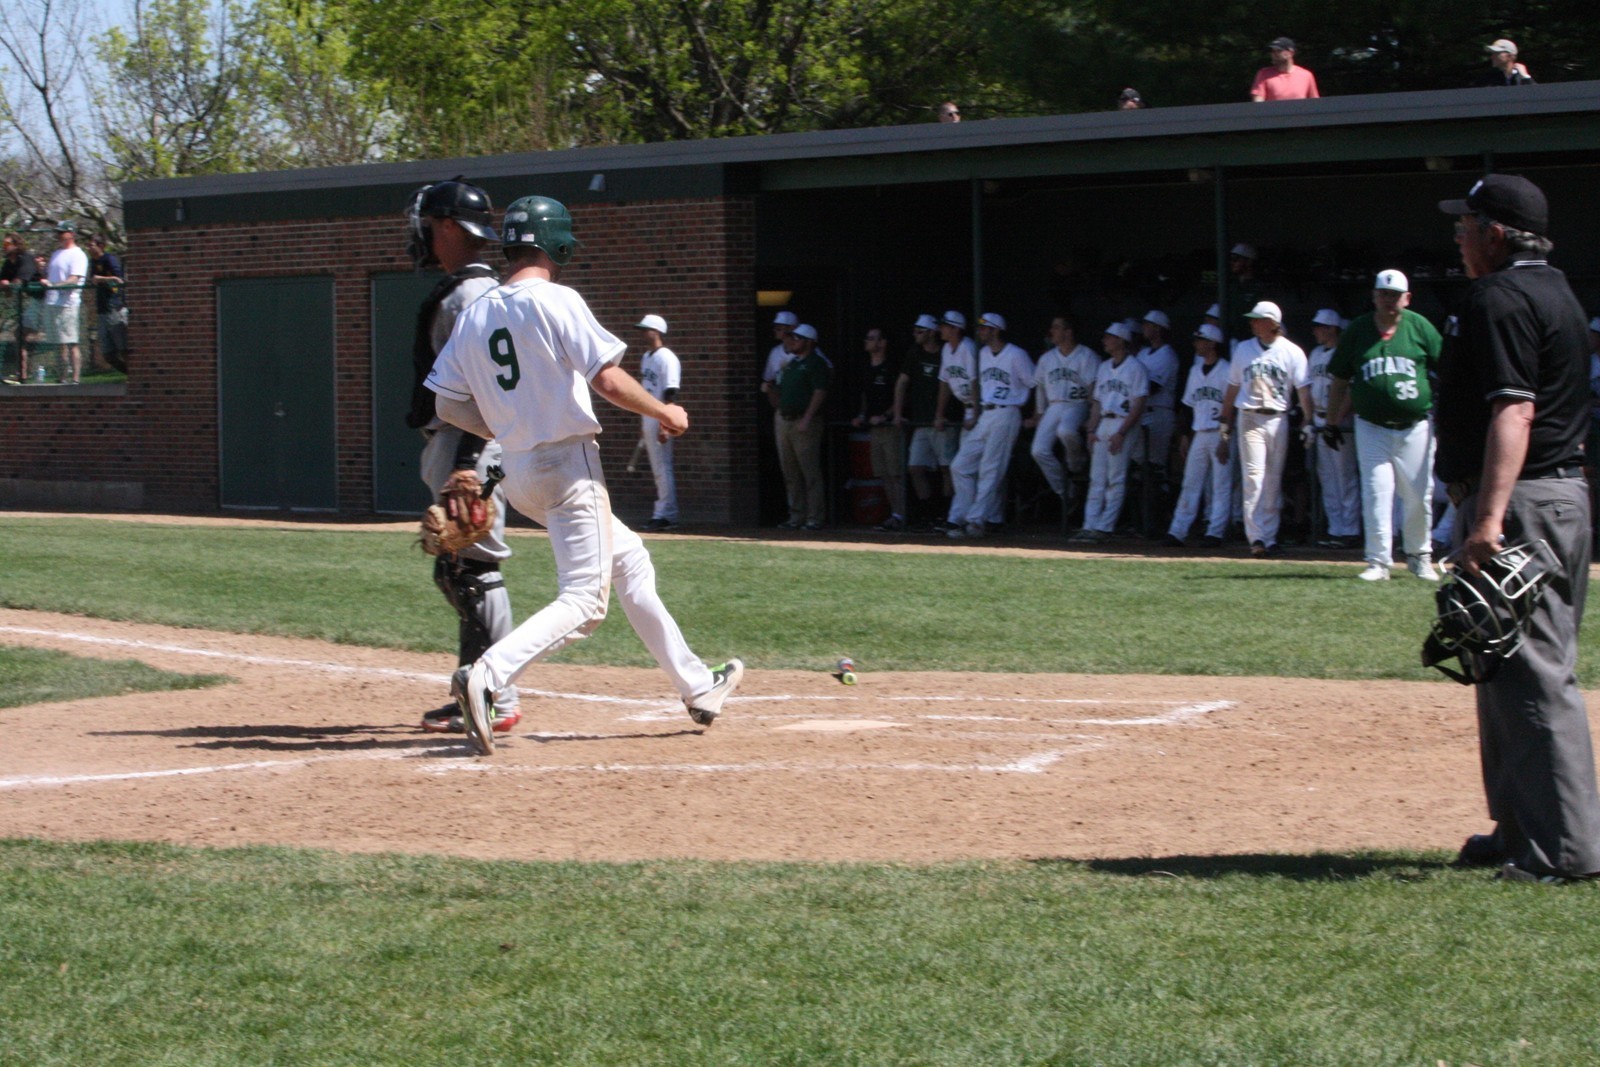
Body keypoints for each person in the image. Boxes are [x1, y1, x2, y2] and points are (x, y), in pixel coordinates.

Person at [425, 193, 744, 755]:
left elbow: (447, 404)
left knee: (631, 562)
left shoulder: (476, 311)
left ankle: (698, 685)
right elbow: (608, 380)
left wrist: (506, 425)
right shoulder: (556, 299)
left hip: (519, 471)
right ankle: (487, 675)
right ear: (557, 244)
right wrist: (664, 411)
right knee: (584, 602)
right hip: (567, 466)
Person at [1435, 172, 1600, 883]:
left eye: (1466, 225)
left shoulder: (1499, 297)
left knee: (1532, 668)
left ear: (1496, 235)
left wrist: (1489, 517)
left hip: (1525, 498)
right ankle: (1518, 827)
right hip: (1549, 494)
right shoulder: (1555, 290)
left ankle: (1565, 851)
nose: (1459, 237)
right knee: (1499, 663)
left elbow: (1516, 409)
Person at [402, 178, 521, 734]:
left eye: (430, 224)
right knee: (457, 567)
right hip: (473, 441)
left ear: (449, 227)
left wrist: (467, 463)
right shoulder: (483, 291)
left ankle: (494, 694)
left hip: (472, 443)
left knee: (474, 569)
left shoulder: (466, 297)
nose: (424, 234)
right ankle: (475, 687)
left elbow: (484, 389)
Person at [1327, 270, 1443, 581]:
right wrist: (1331, 421)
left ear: (1407, 298)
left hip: (1415, 426)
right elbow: (1339, 378)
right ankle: (1378, 561)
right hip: (1372, 426)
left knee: (1418, 494)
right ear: (1374, 296)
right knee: (1376, 490)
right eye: (1383, 294)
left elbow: (1445, 366)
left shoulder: (1419, 326)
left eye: (1395, 295)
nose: (1389, 300)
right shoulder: (1358, 329)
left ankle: (1419, 556)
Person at [1217, 301, 1313, 557]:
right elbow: (1232, 389)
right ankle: (1256, 537)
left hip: (1277, 418)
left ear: (1272, 322)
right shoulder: (1243, 349)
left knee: (1272, 479)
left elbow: (1303, 390)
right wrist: (1224, 428)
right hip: (1249, 416)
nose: (1252, 323)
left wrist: (1309, 420)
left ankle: (1270, 537)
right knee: (1254, 477)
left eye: (1257, 319)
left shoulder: (1291, 351)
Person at [946, 313, 1035, 539]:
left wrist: (1035, 415)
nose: (980, 332)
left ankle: (976, 521)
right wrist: (976, 413)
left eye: (984, 328)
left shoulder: (1016, 354)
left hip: (1007, 411)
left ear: (996, 330)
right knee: (959, 466)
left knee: (990, 468)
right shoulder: (983, 354)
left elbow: (1034, 383)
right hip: (986, 413)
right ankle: (969, 515)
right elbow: (977, 385)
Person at [1071, 322, 1148, 543]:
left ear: (1121, 340)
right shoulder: (1104, 367)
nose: (1104, 341)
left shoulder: (1136, 367)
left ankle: (1104, 528)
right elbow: (1097, 402)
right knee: (1097, 478)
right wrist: (1091, 429)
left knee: (1115, 478)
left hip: (1123, 423)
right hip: (1104, 422)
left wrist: (1122, 433)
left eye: (1109, 337)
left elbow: (1139, 404)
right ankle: (1090, 525)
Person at [1166, 324, 1232, 548]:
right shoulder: (1195, 371)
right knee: (1190, 483)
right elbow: (1187, 406)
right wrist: (1185, 435)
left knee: (1221, 485)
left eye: (1200, 340)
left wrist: (1225, 438)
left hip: (1220, 433)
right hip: (1200, 433)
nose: (1196, 344)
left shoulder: (1226, 370)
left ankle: (1216, 532)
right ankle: (1177, 531)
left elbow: (1232, 409)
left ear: (1212, 343)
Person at [1027, 315, 1099, 508]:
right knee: (1038, 450)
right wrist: (1039, 412)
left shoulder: (1086, 355)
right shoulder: (1047, 358)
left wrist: (1093, 413)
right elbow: (1040, 387)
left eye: (1056, 327)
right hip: (1054, 405)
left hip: (1077, 404)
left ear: (1068, 332)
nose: (1052, 331)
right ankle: (1066, 491)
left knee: (1066, 430)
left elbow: (1092, 388)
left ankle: (1076, 463)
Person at [1306, 308, 1360, 549]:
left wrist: (1335, 421)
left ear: (1332, 329)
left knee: (1344, 476)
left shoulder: (1345, 353)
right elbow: (1308, 389)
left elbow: (1350, 391)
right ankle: (1335, 528)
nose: (1315, 331)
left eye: (1319, 327)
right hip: (1319, 420)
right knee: (1327, 478)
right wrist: (1309, 421)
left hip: (1339, 422)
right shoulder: (1315, 354)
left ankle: (1350, 530)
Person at [774, 323, 831, 530]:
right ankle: (796, 516)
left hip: (803, 422)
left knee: (809, 472)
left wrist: (807, 418)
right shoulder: (791, 364)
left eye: (797, 338)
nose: (792, 341)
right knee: (790, 472)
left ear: (809, 342)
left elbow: (820, 392)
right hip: (785, 420)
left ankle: (814, 517)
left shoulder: (817, 363)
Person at [851, 326, 907, 532]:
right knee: (883, 474)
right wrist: (861, 416)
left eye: (872, 338)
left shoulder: (892, 368)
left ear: (882, 343)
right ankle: (895, 514)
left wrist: (885, 416)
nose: (867, 341)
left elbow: (900, 398)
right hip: (874, 430)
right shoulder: (865, 368)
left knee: (895, 474)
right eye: (867, 338)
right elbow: (865, 396)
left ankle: (902, 515)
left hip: (890, 428)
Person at [904, 313, 954, 523]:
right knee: (915, 467)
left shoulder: (946, 352)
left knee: (946, 467)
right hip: (922, 421)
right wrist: (897, 412)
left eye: (920, 331)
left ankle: (947, 512)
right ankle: (927, 511)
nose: (916, 334)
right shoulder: (914, 353)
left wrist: (940, 414)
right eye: (915, 330)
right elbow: (902, 382)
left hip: (942, 422)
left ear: (932, 332)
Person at [634, 313, 681, 530]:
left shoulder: (667, 357)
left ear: (657, 331)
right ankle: (663, 512)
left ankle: (666, 514)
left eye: (646, 329)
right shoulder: (646, 357)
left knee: (663, 467)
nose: (643, 333)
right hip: (649, 416)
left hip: (661, 415)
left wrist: (666, 425)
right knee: (658, 468)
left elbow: (671, 393)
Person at [932, 310, 977, 530]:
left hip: (980, 410)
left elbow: (976, 381)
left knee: (964, 466)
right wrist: (939, 413)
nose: (941, 329)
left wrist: (976, 413)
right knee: (964, 467)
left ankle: (963, 517)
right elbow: (945, 384)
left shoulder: (968, 348)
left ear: (956, 329)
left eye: (945, 325)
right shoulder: (946, 350)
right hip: (968, 410)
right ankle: (963, 517)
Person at [1132, 309, 1180, 492]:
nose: (1144, 328)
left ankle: (1161, 504)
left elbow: (1152, 387)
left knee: (1155, 467)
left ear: (1158, 328)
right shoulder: (1143, 353)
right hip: (1141, 412)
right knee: (1137, 464)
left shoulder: (1167, 354)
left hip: (1159, 412)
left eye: (1148, 325)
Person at [42, 221, 88, 384]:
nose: (59, 235)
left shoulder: (78, 255)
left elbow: (74, 279)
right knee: (59, 344)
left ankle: (75, 379)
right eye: (58, 232)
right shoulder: (56, 253)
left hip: (68, 304)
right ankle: (62, 378)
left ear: (71, 234)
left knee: (71, 342)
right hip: (52, 302)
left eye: (62, 232)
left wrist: (53, 285)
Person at [86, 235, 128, 374]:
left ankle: (136, 377)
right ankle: (129, 374)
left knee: (123, 348)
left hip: (114, 308)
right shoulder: (93, 262)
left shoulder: (110, 259)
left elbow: (119, 280)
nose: (89, 248)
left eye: (91, 245)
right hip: (102, 310)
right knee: (108, 354)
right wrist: (98, 279)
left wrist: (101, 278)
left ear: (101, 246)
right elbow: (93, 279)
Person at [0, 232, 39, 382]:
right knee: (19, 334)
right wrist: (4, 285)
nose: (4, 247)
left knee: (59, 340)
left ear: (16, 245)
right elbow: (6, 290)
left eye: (7, 244)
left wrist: (8, 284)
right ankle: (22, 374)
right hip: (34, 303)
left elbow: (20, 282)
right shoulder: (8, 263)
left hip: (45, 300)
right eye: (3, 244)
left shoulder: (26, 258)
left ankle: (66, 377)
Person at [1250, 37, 1320, 101]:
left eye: (1279, 51)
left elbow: (1314, 103)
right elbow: (1258, 102)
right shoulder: (1264, 74)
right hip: (1274, 111)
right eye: (1273, 51)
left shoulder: (1306, 75)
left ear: (1291, 53)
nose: (1274, 54)